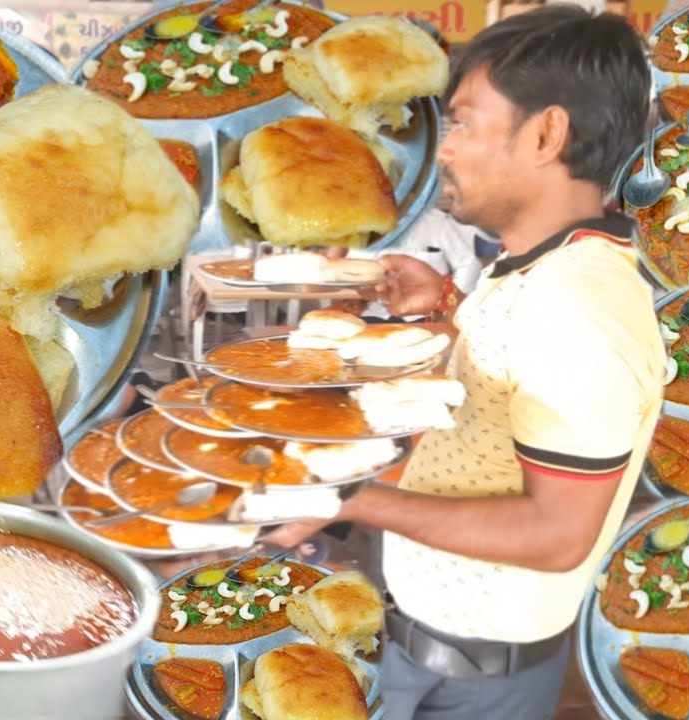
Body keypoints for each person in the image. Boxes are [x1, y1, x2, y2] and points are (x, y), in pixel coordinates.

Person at [267, 7, 664, 720]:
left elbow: (557, 533)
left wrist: (345, 499)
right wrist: (444, 304)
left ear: (546, 134)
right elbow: (518, 380)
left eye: (463, 123)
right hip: (423, 640)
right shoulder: (538, 267)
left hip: (480, 680)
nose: (443, 150)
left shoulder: (578, 310)